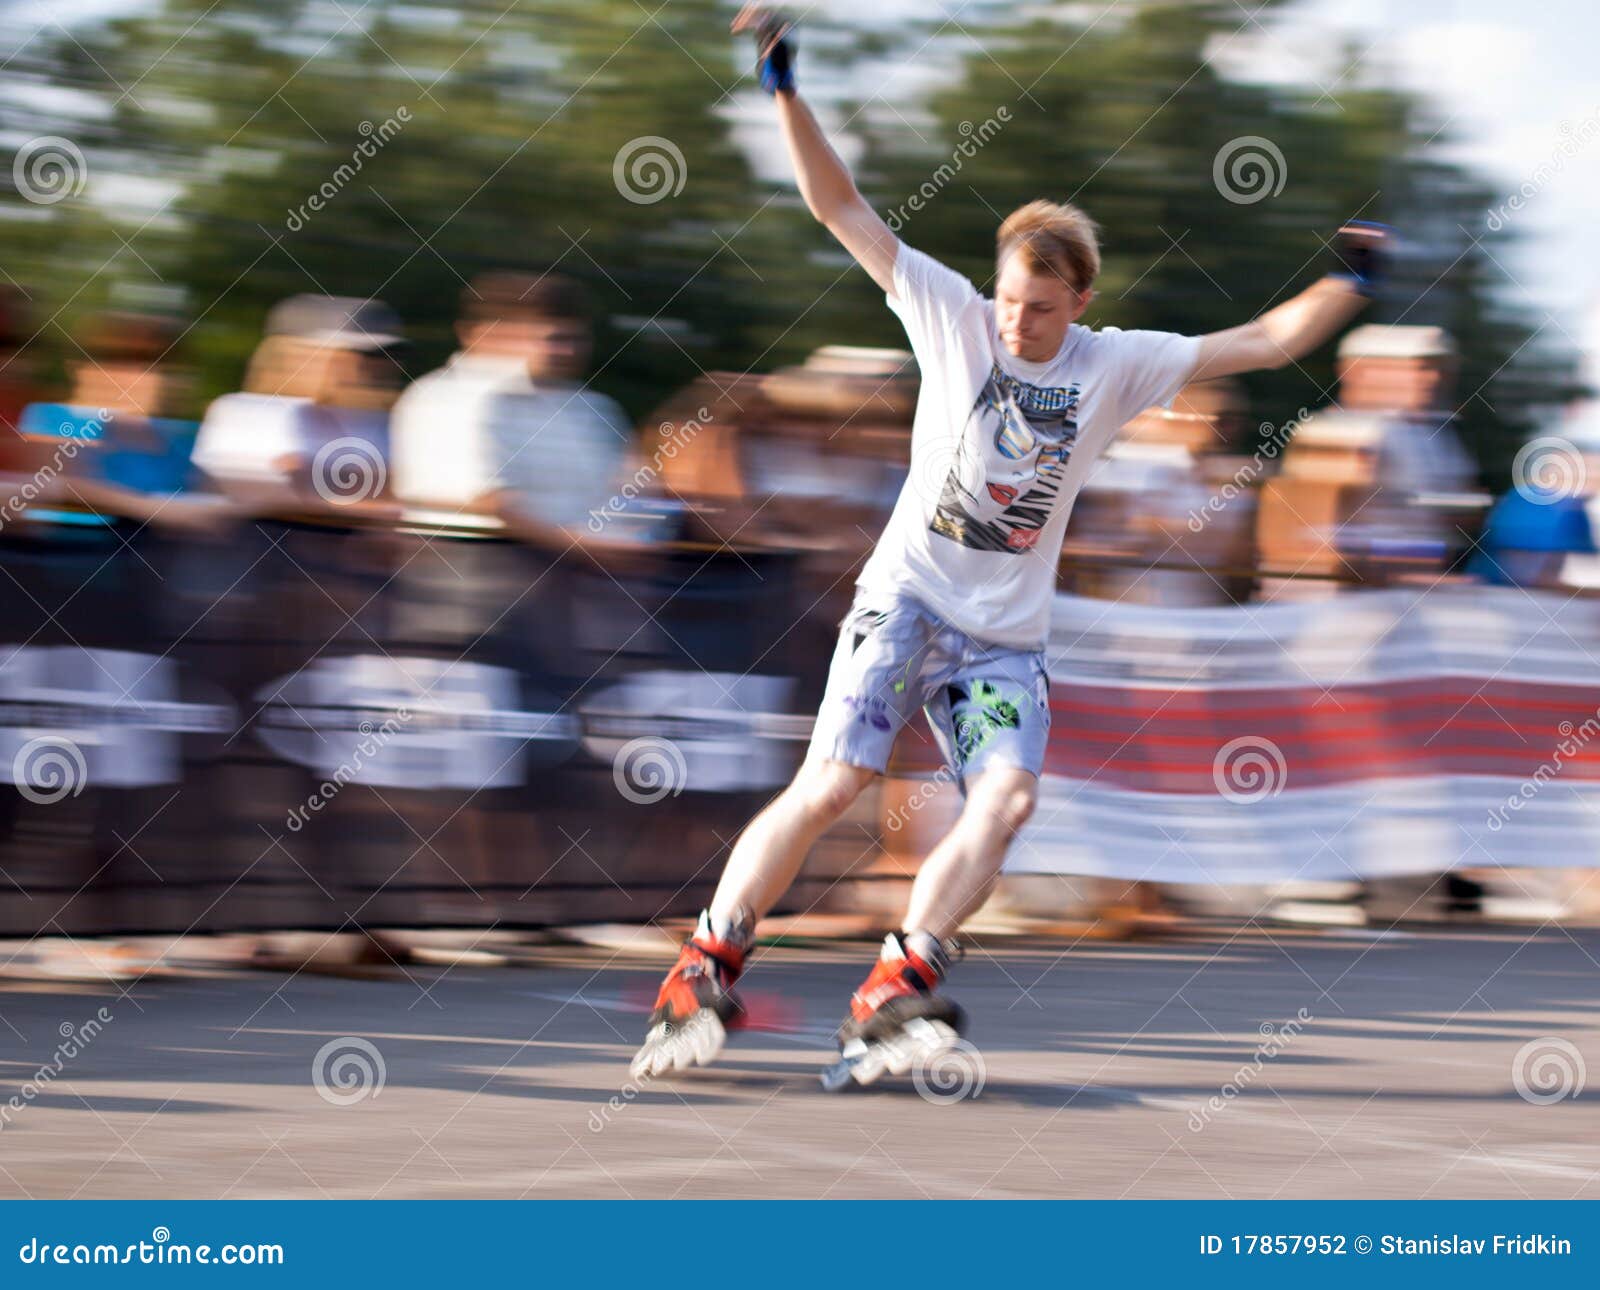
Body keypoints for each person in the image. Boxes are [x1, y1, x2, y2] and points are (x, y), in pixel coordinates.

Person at [632, 6, 1391, 1084]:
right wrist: (783, 84)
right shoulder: (949, 315)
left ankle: (896, 982)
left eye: (1038, 309)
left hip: (1001, 640)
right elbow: (837, 205)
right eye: (1007, 301)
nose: (1015, 324)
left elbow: (1266, 341)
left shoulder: (1113, 365)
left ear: (1081, 301)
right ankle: (707, 961)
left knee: (1009, 798)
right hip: (905, 600)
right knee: (836, 782)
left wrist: (1351, 283)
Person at [191, 294, 402, 508]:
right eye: (343, 353)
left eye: (374, 355)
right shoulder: (244, 412)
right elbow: (284, 496)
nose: (358, 366)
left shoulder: (377, 422)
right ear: (288, 353)